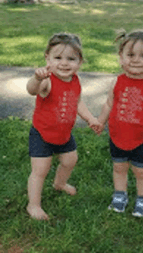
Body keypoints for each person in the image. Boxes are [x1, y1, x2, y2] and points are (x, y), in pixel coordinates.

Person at [26, 32, 100, 220]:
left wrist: (90, 118)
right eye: (58, 58)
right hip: (42, 134)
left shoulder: (75, 80)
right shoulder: (47, 81)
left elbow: (78, 102)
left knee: (70, 161)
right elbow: (32, 90)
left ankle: (59, 183)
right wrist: (37, 78)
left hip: (64, 134)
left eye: (71, 59)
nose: (64, 63)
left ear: (80, 62)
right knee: (40, 170)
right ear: (47, 58)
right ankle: (33, 205)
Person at [97, 29, 143, 218]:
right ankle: (120, 195)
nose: (136, 60)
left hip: (142, 140)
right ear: (121, 58)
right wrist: (100, 121)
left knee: (141, 171)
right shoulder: (117, 81)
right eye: (130, 55)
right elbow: (108, 104)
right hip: (117, 136)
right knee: (119, 168)